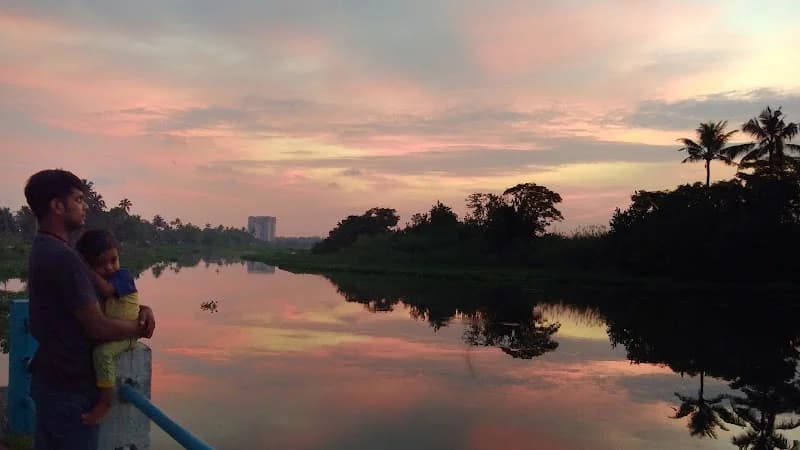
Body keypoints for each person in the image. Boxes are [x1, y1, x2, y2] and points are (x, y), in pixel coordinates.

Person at [25, 169, 155, 450]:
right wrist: (139, 328)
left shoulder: (45, 248)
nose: (85, 206)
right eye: (78, 199)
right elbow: (97, 326)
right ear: (57, 206)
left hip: (51, 378)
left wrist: (140, 307)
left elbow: (96, 301)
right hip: (69, 388)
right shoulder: (64, 258)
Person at [76, 230, 141, 425]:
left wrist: (88, 271)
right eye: (102, 264)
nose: (110, 267)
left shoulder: (123, 276)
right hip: (118, 331)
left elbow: (106, 291)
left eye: (114, 260)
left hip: (126, 335)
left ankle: (105, 402)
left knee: (102, 354)